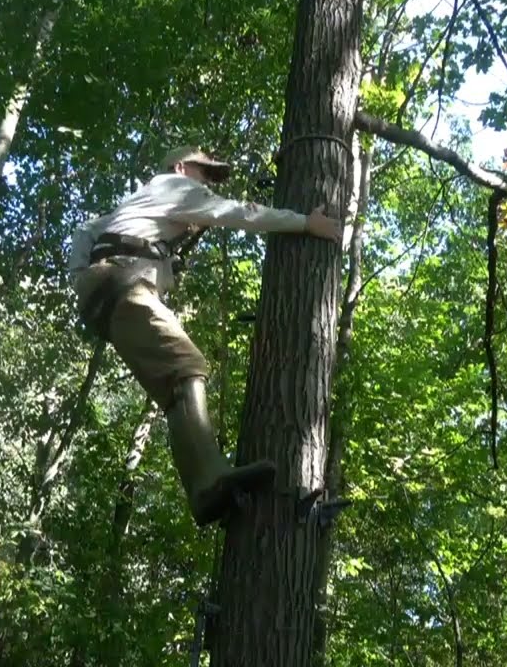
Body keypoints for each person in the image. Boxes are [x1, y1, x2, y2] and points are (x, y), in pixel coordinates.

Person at [68, 145, 341, 526]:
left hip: (103, 295)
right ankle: (211, 477)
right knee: (188, 366)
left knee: (173, 390)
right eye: (204, 173)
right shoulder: (174, 186)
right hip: (122, 282)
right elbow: (238, 212)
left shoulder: (138, 200)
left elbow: (86, 230)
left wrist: (83, 278)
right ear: (181, 167)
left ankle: (204, 492)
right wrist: (305, 223)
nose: (208, 184)